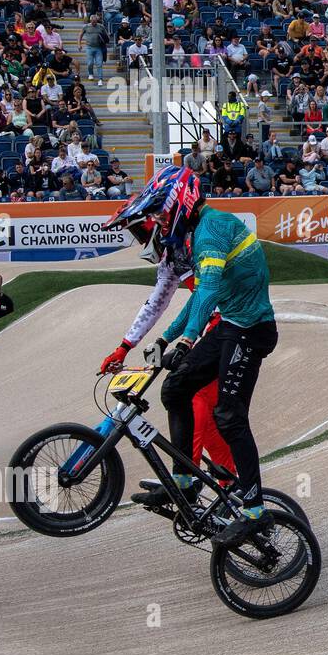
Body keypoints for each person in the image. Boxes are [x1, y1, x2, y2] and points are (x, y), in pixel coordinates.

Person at [131, 167, 277, 546]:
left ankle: (254, 510)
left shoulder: (212, 230)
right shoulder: (199, 232)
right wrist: (167, 336)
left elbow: (208, 287)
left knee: (229, 416)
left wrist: (188, 339)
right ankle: (185, 481)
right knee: (174, 390)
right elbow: (198, 296)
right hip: (231, 325)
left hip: (251, 329)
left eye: (162, 211)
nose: (159, 221)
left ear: (181, 202)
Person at [99, 172, 237, 482]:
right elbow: (154, 304)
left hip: (226, 327)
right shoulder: (172, 257)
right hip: (212, 328)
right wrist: (125, 346)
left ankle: (184, 481)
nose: (139, 239)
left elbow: (208, 293)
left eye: (138, 231)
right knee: (206, 414)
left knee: (192, 400)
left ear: (154, 222)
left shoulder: (190, 240)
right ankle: (231, 486)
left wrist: (182, 339)